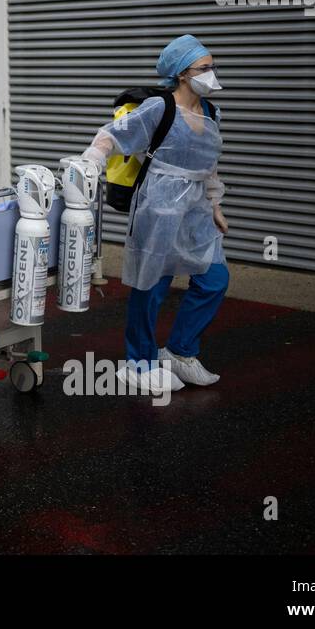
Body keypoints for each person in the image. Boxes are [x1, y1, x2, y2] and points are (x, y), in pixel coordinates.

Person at [80, 34, 229, 392]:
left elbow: (207, 165)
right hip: (158, 208)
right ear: (182, 74)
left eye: (212, 66)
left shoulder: (211, 112)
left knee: (214, 280)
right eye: (204, 68)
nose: (212, 74)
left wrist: (215, 205)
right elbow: (111, 136)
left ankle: (179, 351)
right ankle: (139, 362)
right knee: (152, 286)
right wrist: (88, 166)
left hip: (194, 210)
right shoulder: (159, 108)